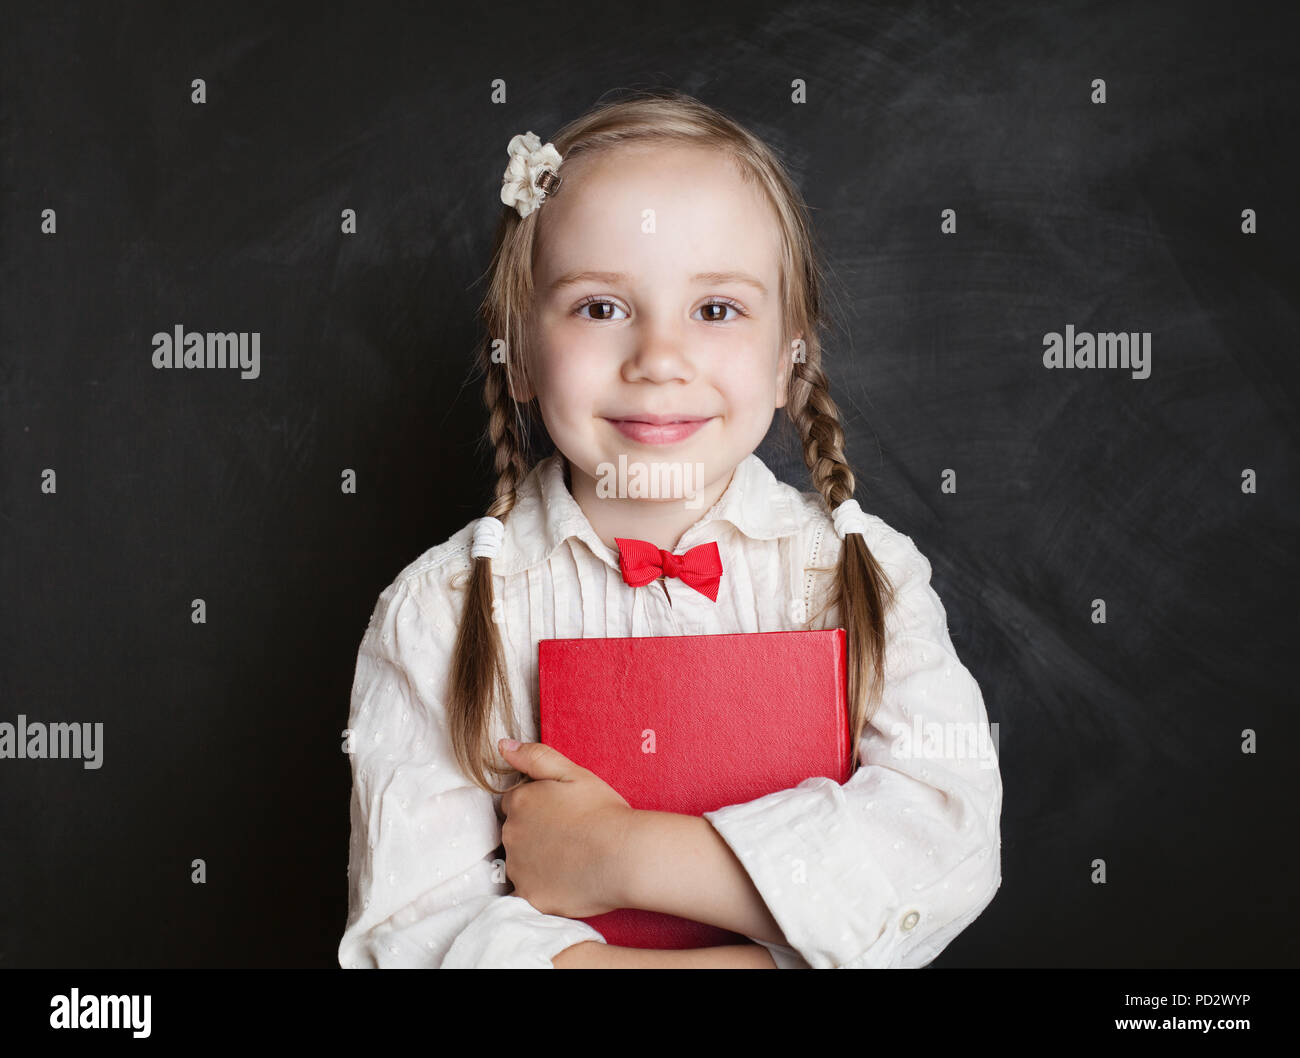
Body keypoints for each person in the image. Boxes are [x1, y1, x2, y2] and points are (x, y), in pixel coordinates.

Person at [338, 89, 1002, 969]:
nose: (658, 359)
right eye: (600, 307)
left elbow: (944, 842)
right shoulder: (438, 615)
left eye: (716, 309)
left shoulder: (860, 576)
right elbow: (414, 929)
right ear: (521, 352)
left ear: (787, 362)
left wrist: (621, 855)